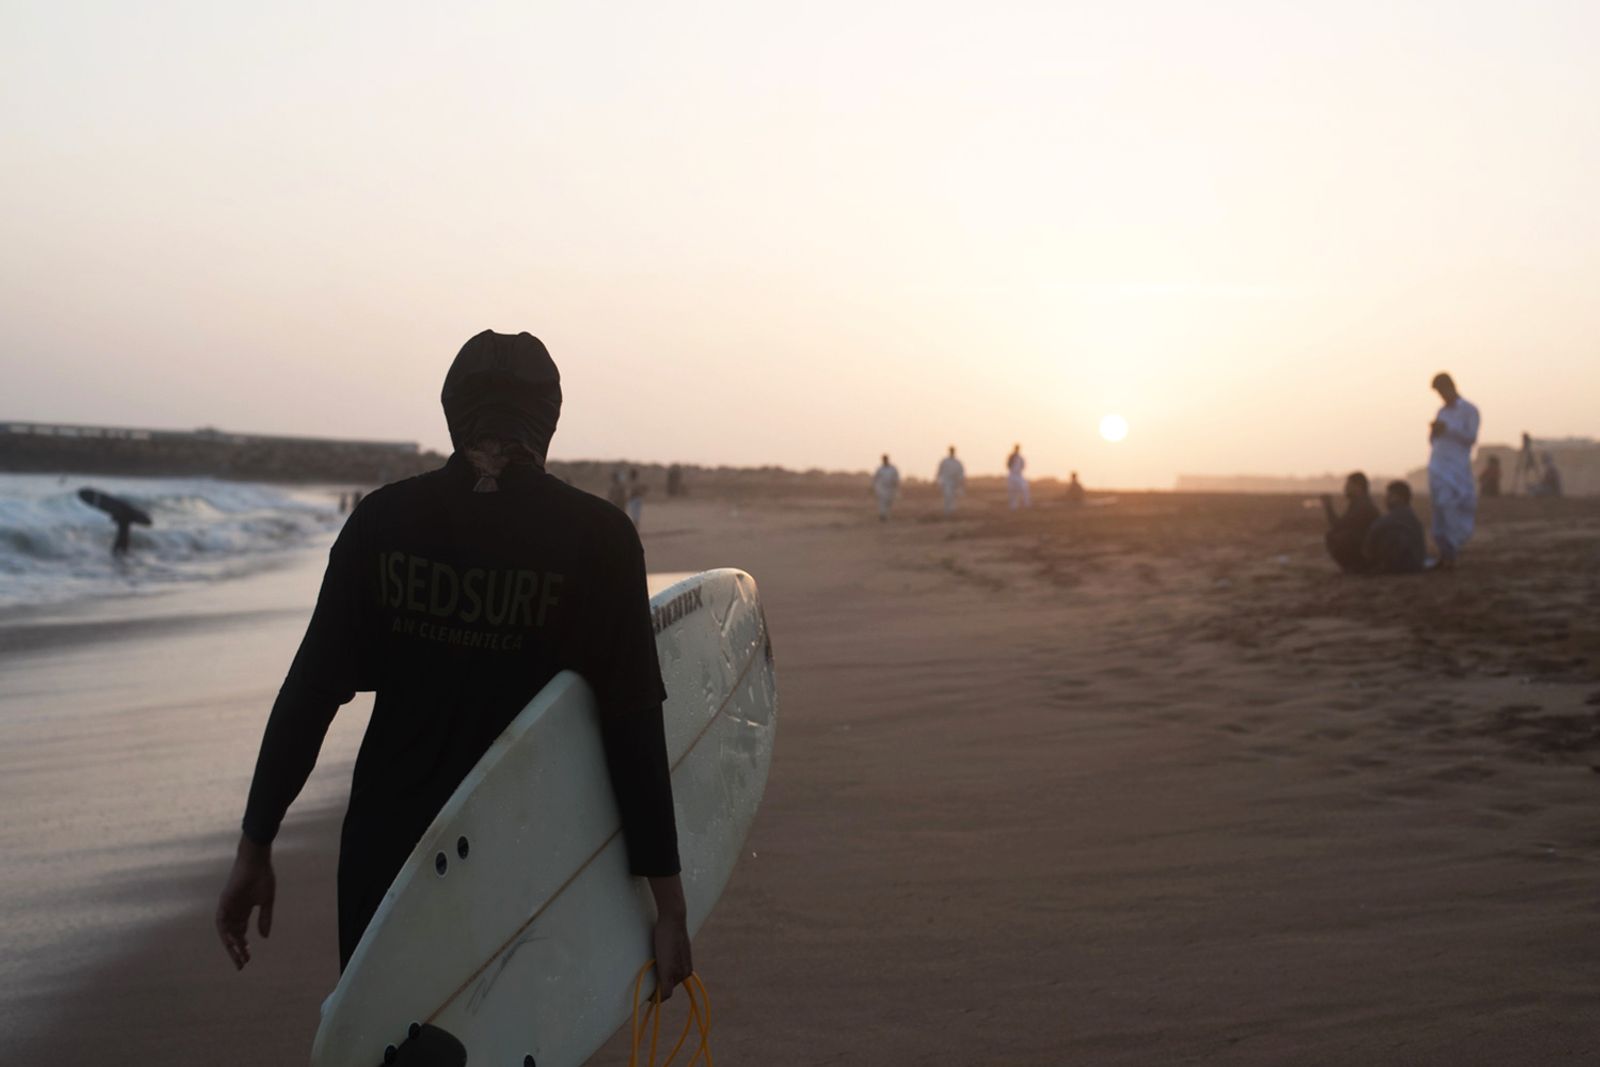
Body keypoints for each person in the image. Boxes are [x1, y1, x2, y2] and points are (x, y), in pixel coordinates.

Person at [214, 331, 692, 1004]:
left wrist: (254, 846)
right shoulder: (598, 540)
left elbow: (311, 694)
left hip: (390, 863)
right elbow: (632, 726)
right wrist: (668, 904)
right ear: (550, 415)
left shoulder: (383, 523)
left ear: (450, 410)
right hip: (528, 857)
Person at [1426, 373, 1479, 567]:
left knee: (1452, 506)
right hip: (1438, 465)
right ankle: (1445, 552)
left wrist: (1448, 429)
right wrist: (1435, 431)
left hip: (1456, 468)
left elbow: (1471, 437)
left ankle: (1453, 550)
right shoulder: (1441, 411)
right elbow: (1433, 441)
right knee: (1439, 507)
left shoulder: (1469, 410)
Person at [1363, 480, 1427, 574]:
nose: (1385, 499)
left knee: (1389, 535)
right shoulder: (1411, 516)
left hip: (1402, 566)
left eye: (1389, 496)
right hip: (1415, 565)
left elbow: (1374, 529)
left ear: (1399, 498)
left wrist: (1368, 553)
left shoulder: (1398, 516)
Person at [1321, 472, 1380, 573]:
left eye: (1348, 485)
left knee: (1336, 536)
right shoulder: (1360, 503)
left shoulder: (1362, 505)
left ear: (1358, 487)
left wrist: (1328, 506)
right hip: (1367, 547)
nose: (1345, 489)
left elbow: (1338, 526)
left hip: (1366, 549)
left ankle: (1355, 567)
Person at [935, 446, 965, 515]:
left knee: (953, 496)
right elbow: (939, 471)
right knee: (947, 495)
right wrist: (937, 480)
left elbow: (961, 473)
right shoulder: (945, 461)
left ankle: (952, 511)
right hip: (946, 482)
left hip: (955, 482)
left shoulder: (957, 462)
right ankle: (947, 511)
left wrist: (961, 482)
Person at [872, 454, 900, 521]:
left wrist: (896, 485)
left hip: (891, 488)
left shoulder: (893, 468)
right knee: (882, 502)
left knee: (889, 502)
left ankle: (886, 515)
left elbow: (896, 477)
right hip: (882, 488)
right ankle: (882, 515)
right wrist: (873, 487)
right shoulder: (880, 469)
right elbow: (875, 478)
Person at [1006, 444, 1030, 509]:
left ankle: (1027, 504)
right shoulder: (1011, 456)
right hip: (1012, 475)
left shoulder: (1021, 457)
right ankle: (1013, 505)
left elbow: (1023, 465)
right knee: (1013, 490)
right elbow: (1008, 465)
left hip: (1019, 475)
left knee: (1024, 488)